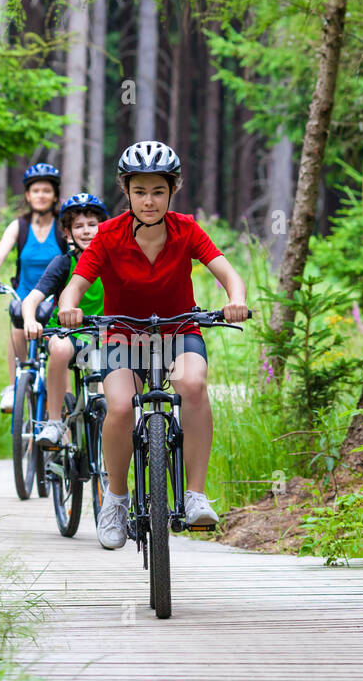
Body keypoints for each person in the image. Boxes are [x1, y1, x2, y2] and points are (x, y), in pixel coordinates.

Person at [56, 140, 248, 550]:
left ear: (172, 191)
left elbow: (227, 272)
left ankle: (195, 495)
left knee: (193, 386)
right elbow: (75, 286)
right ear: (125, 191)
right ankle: (116, 500)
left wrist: (236, 300)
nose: (149, 200)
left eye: (158, 191)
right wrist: (69, 308)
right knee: (121, 406)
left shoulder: (187, 229)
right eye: (140, 191)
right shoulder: (108, 235)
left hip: (179, 332)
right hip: (124, 335)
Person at [21, 193, 109, 450]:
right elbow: (31, 300)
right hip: (67, 333)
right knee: (59, 347)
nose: (86, 231)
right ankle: (56, 421)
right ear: (68, 234)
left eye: (92, 225)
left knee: (107, 395)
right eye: (78, 226)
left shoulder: (114, 261)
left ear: (103, 228)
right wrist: (30, 320)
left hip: (104, 334)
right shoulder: (63, 263)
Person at [0, 162, 65, 413]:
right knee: (16, 323)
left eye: (46, 190)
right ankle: (15, 385)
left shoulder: (62, 227)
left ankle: (61, 410)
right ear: (27, 195)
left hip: (55, 303)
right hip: (24, 298)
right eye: (35, 191)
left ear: (55, 195)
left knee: (60, 354)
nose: (41, 195)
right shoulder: (19, 226)